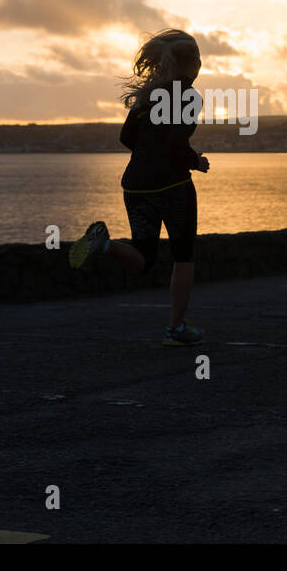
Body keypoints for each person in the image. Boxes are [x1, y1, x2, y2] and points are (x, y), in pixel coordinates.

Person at [69, 29, 209, 346]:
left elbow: (127, 138)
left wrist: (150, 153)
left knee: (143, 258)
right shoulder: (189, 96)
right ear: (190, 66)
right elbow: (176, 142)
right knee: (183, 256)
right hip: (173, 187)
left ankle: (105, 245)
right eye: (199, 59)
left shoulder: (149, 97)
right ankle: (176, 329)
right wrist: (195, 161)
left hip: (135, 186)